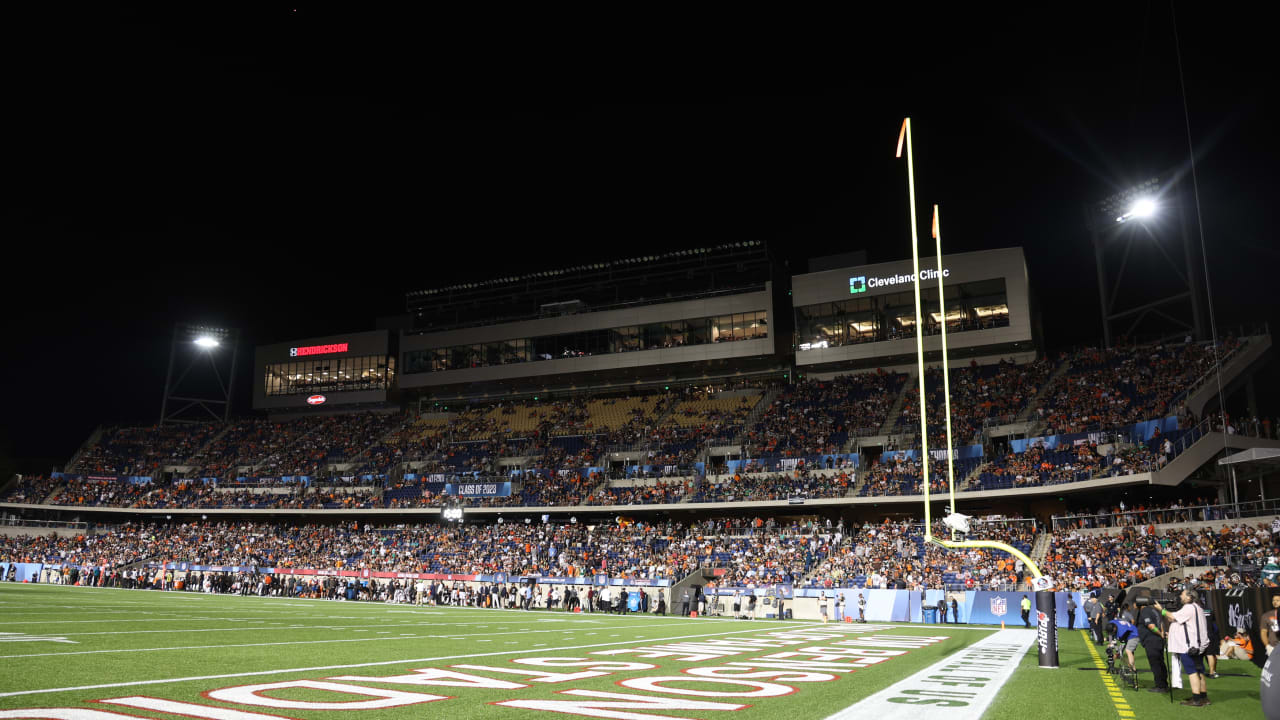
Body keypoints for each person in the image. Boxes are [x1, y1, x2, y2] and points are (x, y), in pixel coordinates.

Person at [1155, 589, 1211, 707]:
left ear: (1189, 597)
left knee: (1192, 672)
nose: (1180, 596)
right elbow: (1176, 619)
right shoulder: (1197, 608)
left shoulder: (1189, 608)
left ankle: (1196, 699)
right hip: (1197, 645)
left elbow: (1171, 616)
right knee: (1199, 671)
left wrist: (1161, 610)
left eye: (1183, 594)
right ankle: (1203, 697)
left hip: (1189, 646)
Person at [1136, 598, 1169, 693]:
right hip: (1158, 640)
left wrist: (1160, 633)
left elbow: (1150, 625)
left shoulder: (1145, 611)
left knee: (1156, 664)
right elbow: (1161, 623)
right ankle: (1164, 684)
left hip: (1151, 641)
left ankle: (1160, 686)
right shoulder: (1155, 610)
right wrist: (1162, 633)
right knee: (1160, 662)